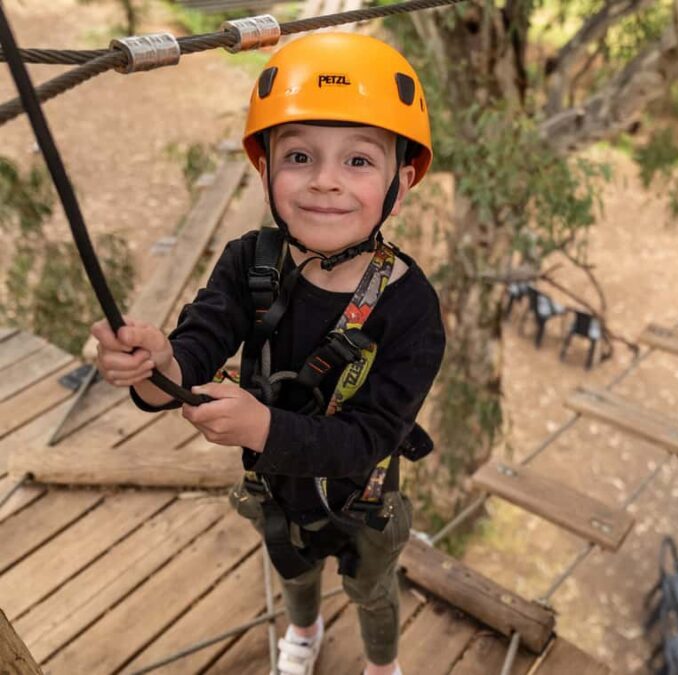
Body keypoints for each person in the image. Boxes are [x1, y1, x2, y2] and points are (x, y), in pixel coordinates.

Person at [91, 32, 446, 675]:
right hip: (278, 492)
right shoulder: (249, 264)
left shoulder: (411, 310)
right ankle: (304, 632)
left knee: (371, 587)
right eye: (300, 156)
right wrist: (155, 366)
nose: (325, 183)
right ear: (265, 168)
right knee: (293, 568)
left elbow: (370, 436)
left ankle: (381, 663)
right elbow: (195, 348)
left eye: (359, 161)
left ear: (405, 177)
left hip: (361, 495)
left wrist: (263, 426)